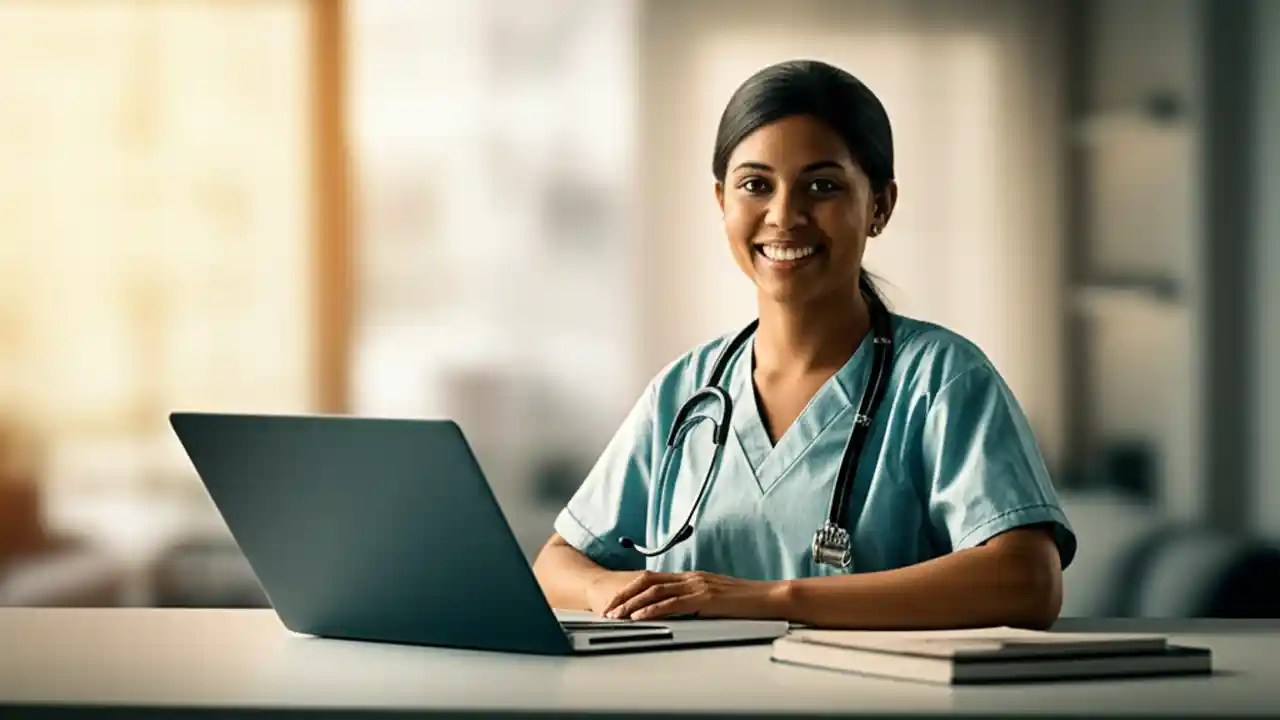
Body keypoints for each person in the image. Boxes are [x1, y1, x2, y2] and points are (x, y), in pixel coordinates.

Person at [532, 59, 1076, 630]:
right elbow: (557, 564)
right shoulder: (686, 390)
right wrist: (610, 589)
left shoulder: (942, 380)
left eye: (822, 186)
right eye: (755, 185)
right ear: (722, 202)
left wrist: (771, 600)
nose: (784, 215)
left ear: (879, 206)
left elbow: (1028, 580)